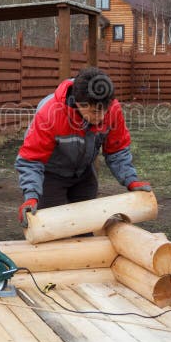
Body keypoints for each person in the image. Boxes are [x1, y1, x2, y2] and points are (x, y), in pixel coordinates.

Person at [15, 66, 151, 227]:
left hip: (84, 172)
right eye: (95, 112)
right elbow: (31, 159)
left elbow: (117, 150)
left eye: (105, 111)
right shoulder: (49, 114)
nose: (101, 117)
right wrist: (31, 195)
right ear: (80, 104)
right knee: (51, 228)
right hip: (50, 175)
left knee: (87, 227)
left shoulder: (112, 108)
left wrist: (131, 180)